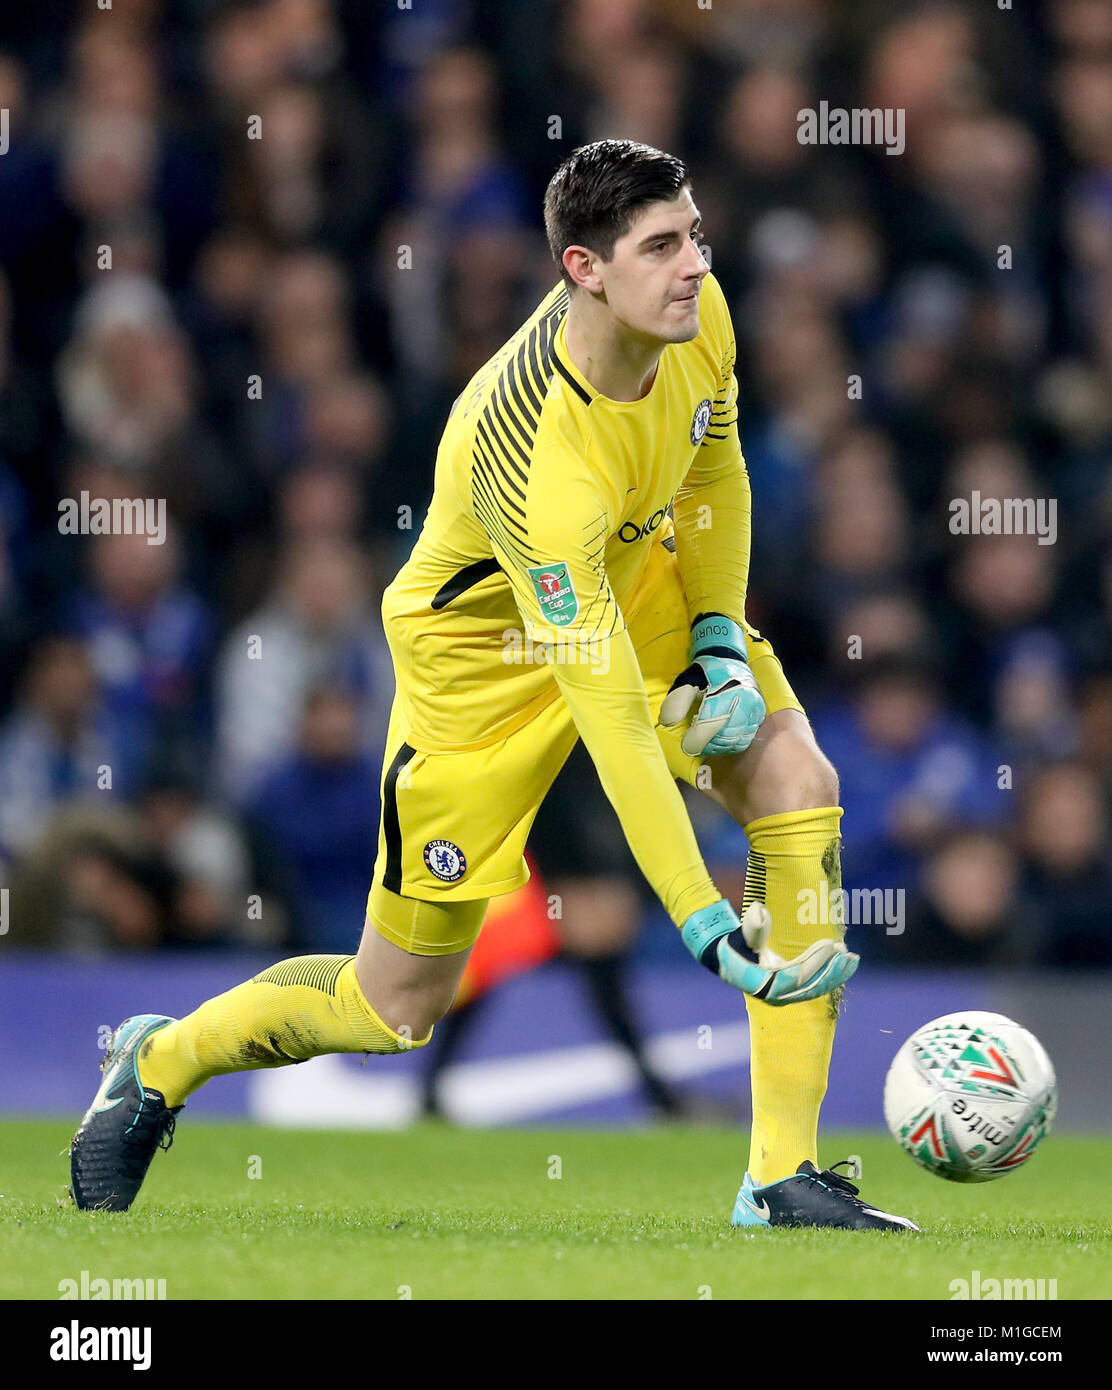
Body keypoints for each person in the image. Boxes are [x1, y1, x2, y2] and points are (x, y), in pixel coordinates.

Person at [71, 140, 913, 1231]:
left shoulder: (696, 317)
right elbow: (605, 710)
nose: (693, 265)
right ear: (583, 268)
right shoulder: (530, 455)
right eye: (660, 246)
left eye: (693, 235)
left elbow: (714, 468)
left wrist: (712, 628)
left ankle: (779, 1177)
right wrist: (705, 923)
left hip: (635, 579)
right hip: (483, 664)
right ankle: (163, 1057)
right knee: (394, 1005)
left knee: (796, 778)